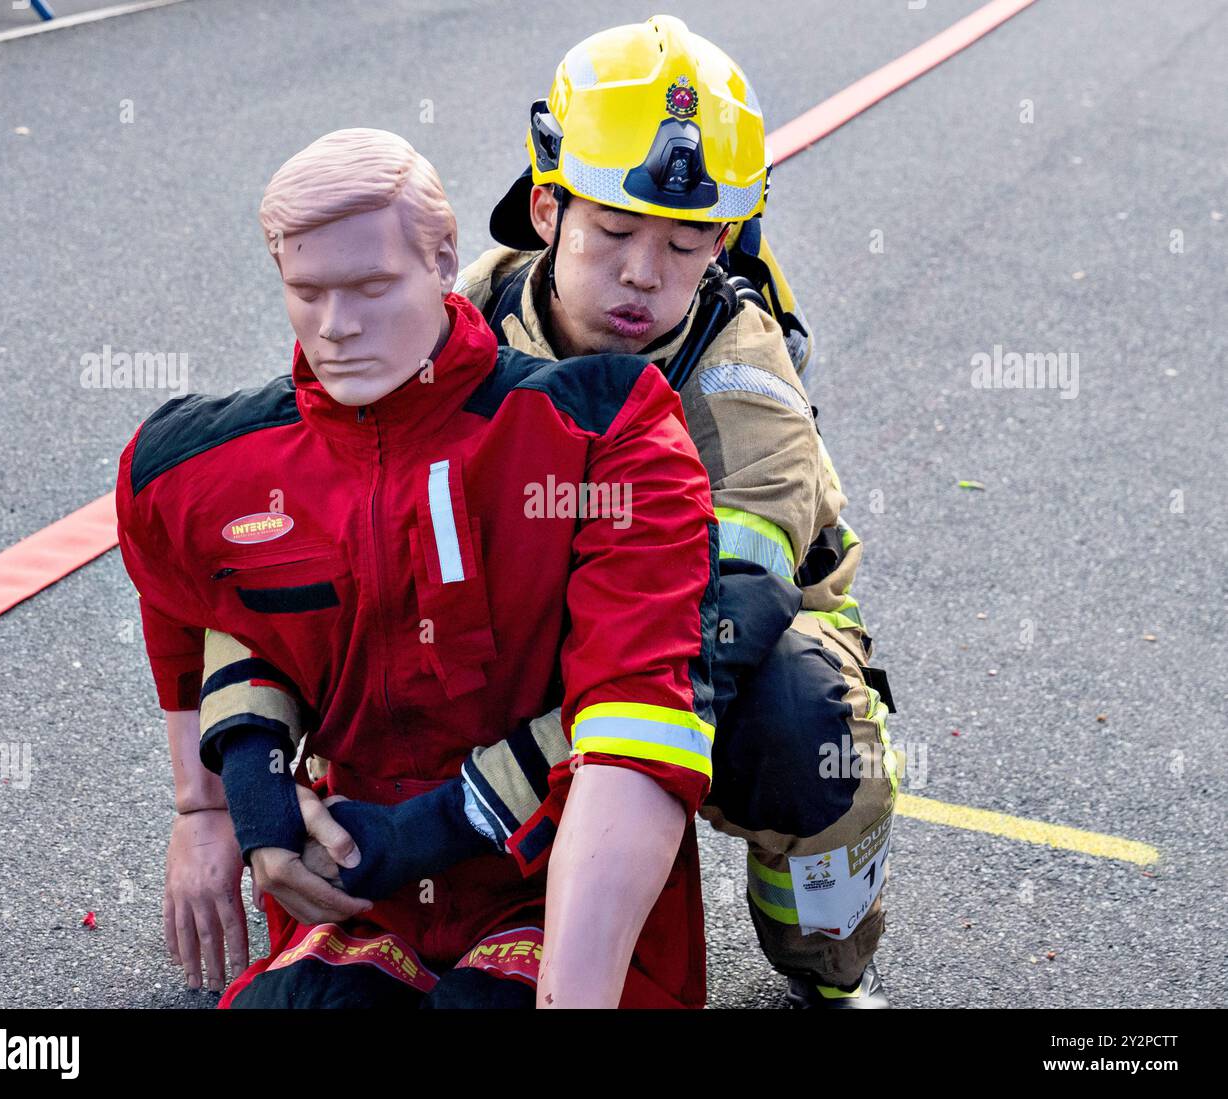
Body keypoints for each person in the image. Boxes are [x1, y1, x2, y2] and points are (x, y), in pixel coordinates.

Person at [188, 14, 900, 1008]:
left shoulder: (743, 392)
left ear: (724, 240)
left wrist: (443, 818)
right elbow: (294, 536)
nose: (643, 274)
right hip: (524, 632)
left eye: (686, 244)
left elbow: (696, 651)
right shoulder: (445, 316)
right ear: (546, 204)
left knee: (800, 719)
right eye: (612, 230)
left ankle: (823, 946)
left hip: (701, 654)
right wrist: (244, 794)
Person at [116, 127, 723, 1008]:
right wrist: (214, 807)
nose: (338, 326)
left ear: (445, 259)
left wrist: (572, 985)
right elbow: (193, 598)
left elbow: (638, 713)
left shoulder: (603, 434)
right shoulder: (197, 466)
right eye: (306, 291)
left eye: (371, 287)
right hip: (357, 900)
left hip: (548, 880)